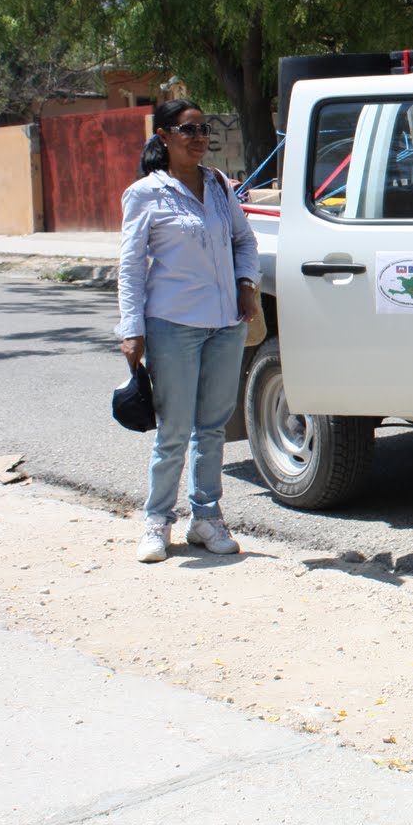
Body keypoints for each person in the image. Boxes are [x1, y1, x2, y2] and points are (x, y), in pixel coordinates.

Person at [115, 99, 261, 563]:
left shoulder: (219, 185)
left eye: (204, 129)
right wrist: (132, 328)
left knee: (212, 428)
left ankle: (207, 518)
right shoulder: (145, 194)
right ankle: (157, 521)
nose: (199, 137)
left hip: (224, 324)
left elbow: (244, 239)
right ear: (164, 136)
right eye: (188, 130)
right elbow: (130, 266)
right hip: (172, 325)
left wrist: (247, 284)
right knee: (174, 431)